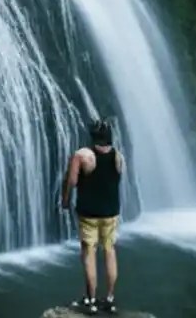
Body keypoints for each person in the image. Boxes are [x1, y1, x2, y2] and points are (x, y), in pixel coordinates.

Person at [60, 119, 124, 315]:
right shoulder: (118, 156)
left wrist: (65, 200)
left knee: (89, 253)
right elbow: (117, 178)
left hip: (89, 212)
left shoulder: (82, 156)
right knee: (109, 251)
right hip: (111, 212)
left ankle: (91, 300)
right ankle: (110, 299)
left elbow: (71, 181)